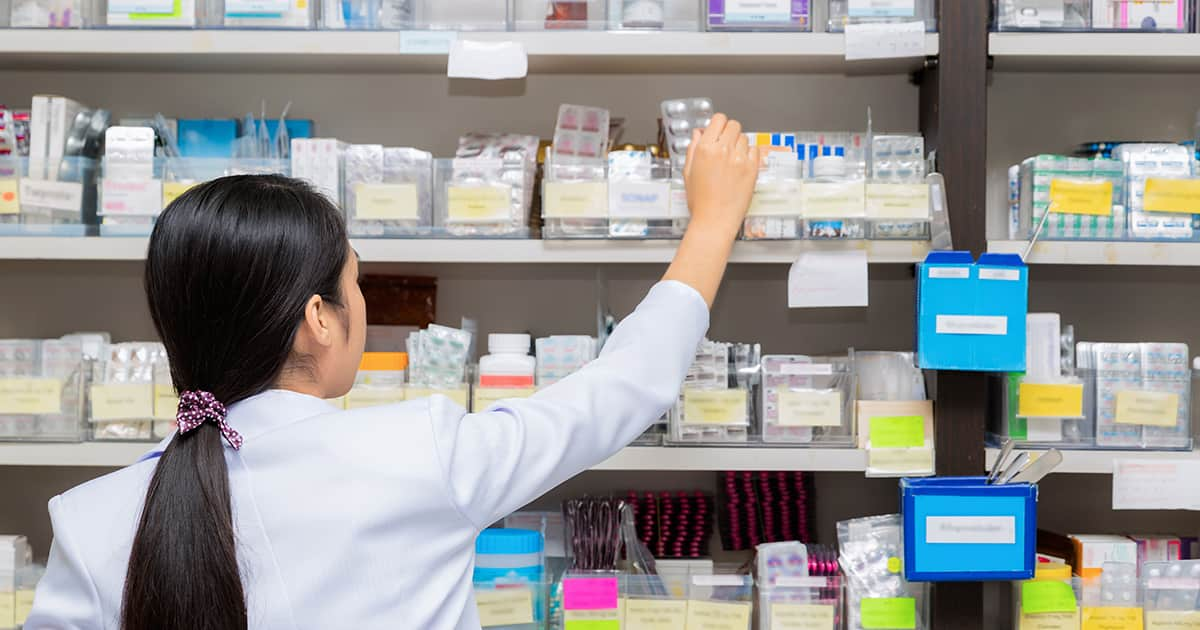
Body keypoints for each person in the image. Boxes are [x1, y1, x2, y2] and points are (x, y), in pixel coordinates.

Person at [25, 114, 760, 630]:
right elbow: (623, 386)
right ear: (318, 317)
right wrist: (713, 221)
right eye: (356, 282)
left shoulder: (93, 520)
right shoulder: (422, 455)